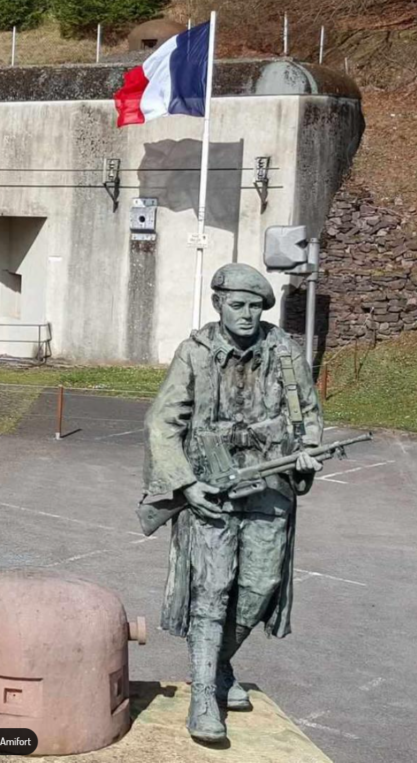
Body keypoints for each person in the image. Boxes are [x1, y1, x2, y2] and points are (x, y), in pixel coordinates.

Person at [139, 262, 324, 744]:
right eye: (236, 304)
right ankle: (204, 695)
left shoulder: (284, 352)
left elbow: (307, 415)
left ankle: (218, 666)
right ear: (219, 303)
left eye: (254, 306)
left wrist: (305, 454)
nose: (245, 314)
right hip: (210, 492)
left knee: (260, 586)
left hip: (269, 490)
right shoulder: (195, 353)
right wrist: (185, 486)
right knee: (213, 589)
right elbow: (163, 424)